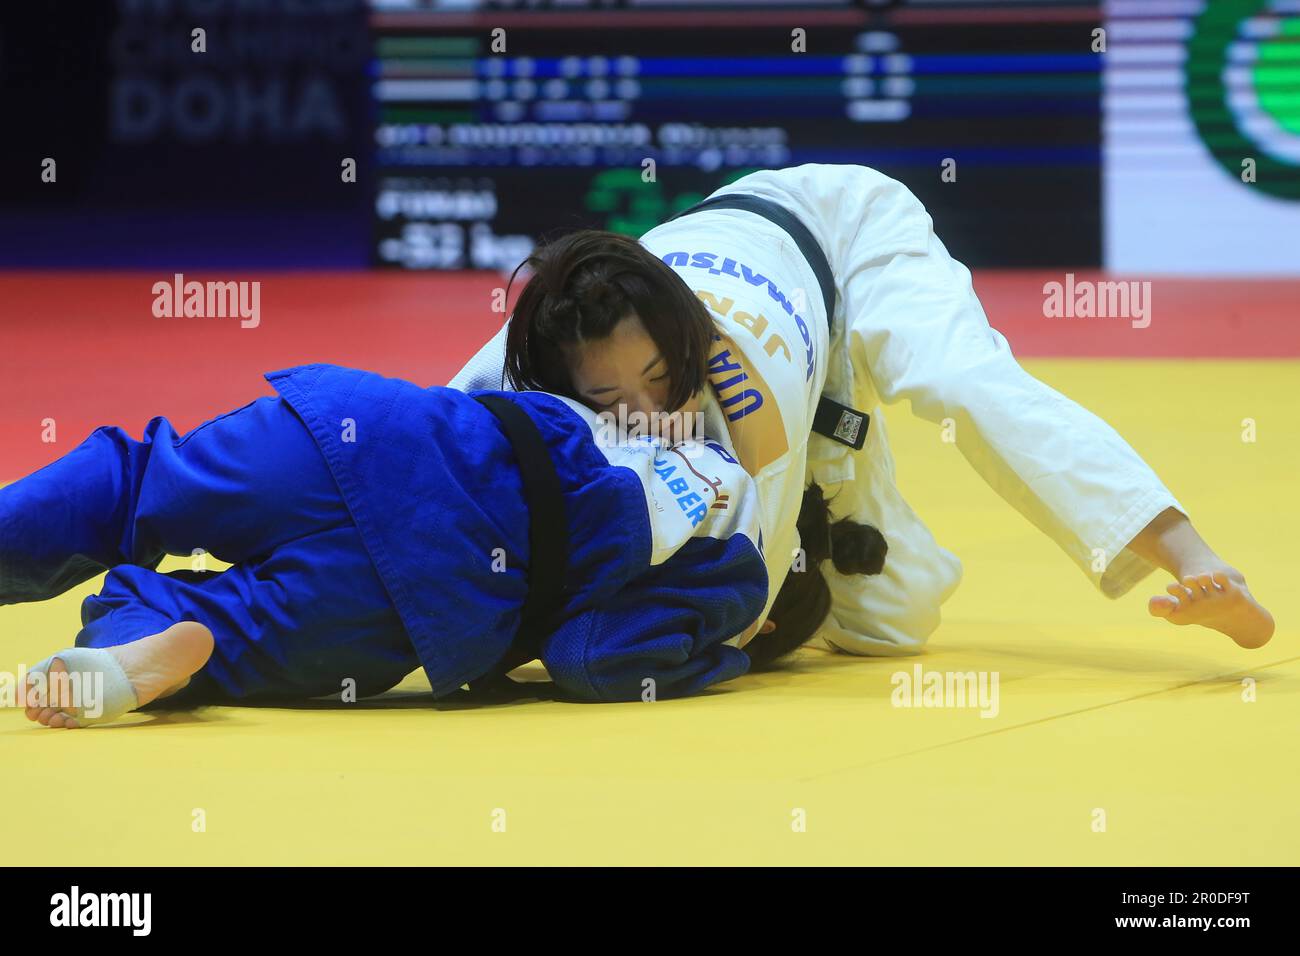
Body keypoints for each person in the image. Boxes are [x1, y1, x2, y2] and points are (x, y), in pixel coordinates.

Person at [449, 163, 1274, 656]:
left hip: (846, 239)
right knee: (893, 619)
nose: (645, 408)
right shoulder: (543, 352)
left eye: (661, 379)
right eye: (608, 399)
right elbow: (427, 434)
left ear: (687, 346)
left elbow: (744, 590)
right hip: (747, 274)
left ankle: (1193, 554)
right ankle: (832, 526)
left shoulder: (737, 377)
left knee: (961, 381)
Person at [3, 362, 786, 729]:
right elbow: (593, 656)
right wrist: (726, 656)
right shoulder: (736, 558)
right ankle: (122, 650)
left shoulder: (630, 427)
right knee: (212, 628)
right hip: (414, 598)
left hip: (364, 435)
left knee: (137, 480)